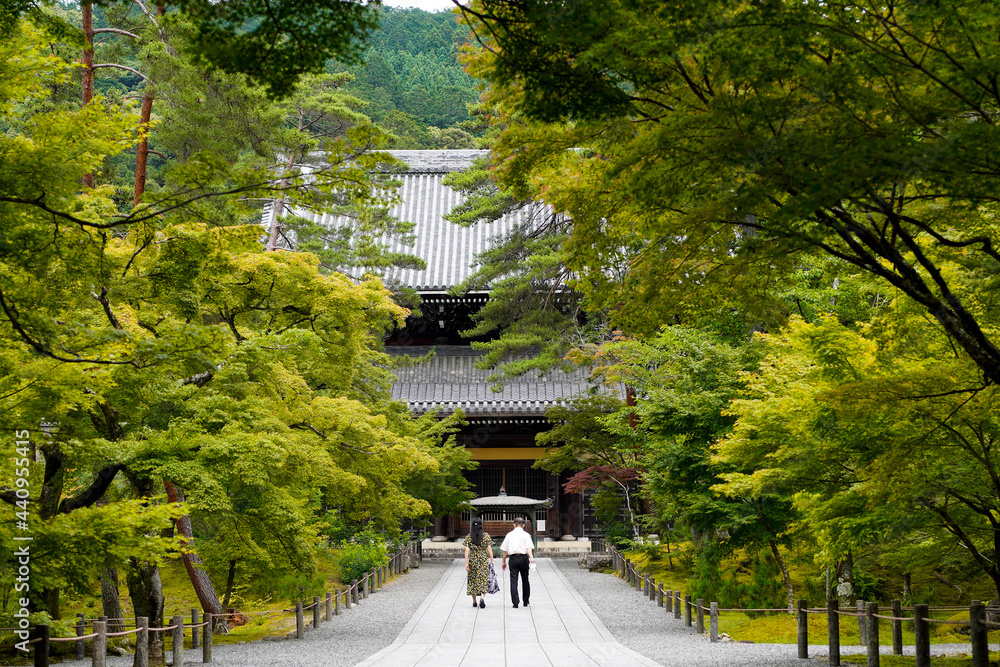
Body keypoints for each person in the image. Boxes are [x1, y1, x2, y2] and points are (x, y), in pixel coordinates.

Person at [500, 516, 536, 608]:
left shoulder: (509, 535)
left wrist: (503, 561)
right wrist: (531, 558)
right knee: (525, 579)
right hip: (524, 558)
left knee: (513, 580)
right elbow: (528, 548)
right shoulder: (526, 535)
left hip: (513, 558)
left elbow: (505, 550)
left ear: (514, 525)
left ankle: (515, 603)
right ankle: (525, 601)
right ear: (523, 525)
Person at [463, 516, 494, 608]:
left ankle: (474, 601)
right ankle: (482, 597)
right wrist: (492, 560)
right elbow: (489, 549)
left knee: (473, 579)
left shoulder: (469, 537)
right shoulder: (486, 536)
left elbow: (466, 550)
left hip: (473, 559)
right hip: (483, 559)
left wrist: (466, 562)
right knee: (483, 579)